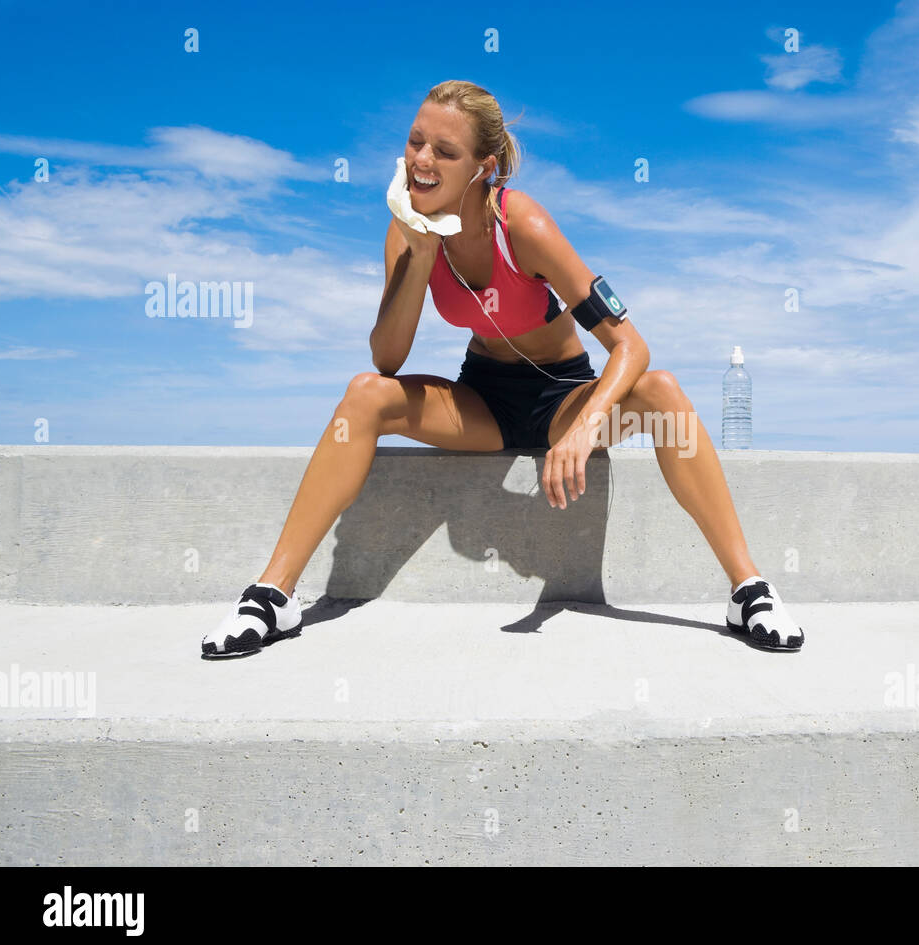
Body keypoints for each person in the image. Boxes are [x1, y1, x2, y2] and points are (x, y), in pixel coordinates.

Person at [200, 80, 804, 660]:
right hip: (482, 401)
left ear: (482, 166)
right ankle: (273, 596)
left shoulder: (525, 227)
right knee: (364, 395)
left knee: (664, 392)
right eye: (415, 142)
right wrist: (421, 250)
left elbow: (631, 346)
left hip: (561, 394)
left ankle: (747, 589)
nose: (422, 160)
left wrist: (586, 425)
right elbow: (387, 358)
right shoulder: (406, 227)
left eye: (445, 150)